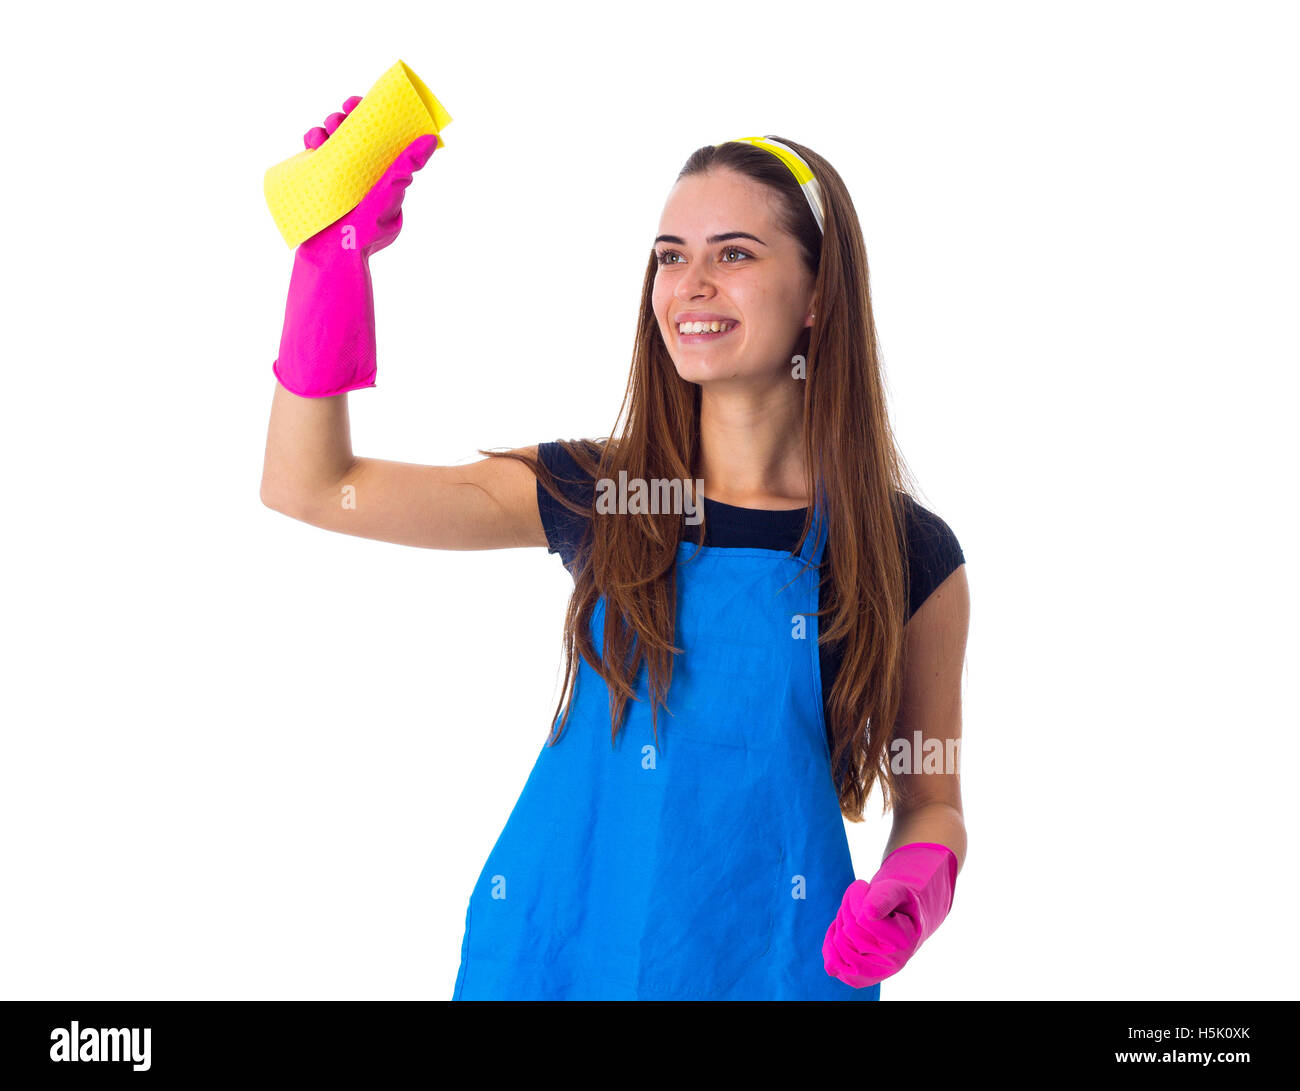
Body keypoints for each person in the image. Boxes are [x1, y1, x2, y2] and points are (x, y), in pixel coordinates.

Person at [261, 97, 971, 1001]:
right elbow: (312, 483)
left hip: (776, 963)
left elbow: (930, 797)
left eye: (735, 254)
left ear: (820, 295)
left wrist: (917, 886)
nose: (691, 284)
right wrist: (329, 268)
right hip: (558, 955)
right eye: (670, 257)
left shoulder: (906, 552)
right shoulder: (599, 496)